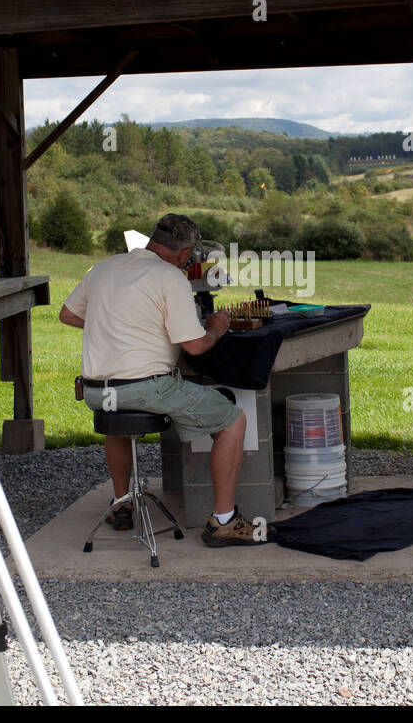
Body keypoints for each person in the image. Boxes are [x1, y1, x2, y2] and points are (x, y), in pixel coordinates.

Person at [59, 213, 262, 546]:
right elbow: (195, 346)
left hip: (96, 392)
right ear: (185, 255)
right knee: (233, 421)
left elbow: (68, 314)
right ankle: (225, 520)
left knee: (115, 421)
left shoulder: (104, 268)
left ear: (152, 240)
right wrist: (217, 328)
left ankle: (121, 504)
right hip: (144, 388)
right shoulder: (171, 278)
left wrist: (116, 327)